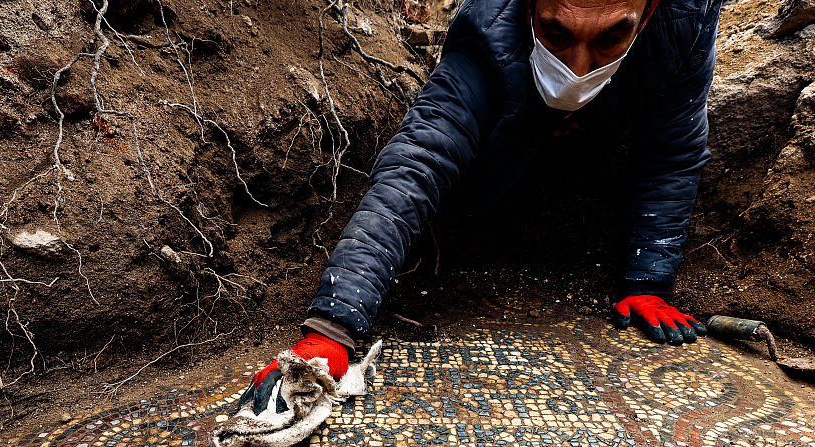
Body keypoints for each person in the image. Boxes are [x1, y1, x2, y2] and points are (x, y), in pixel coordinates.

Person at [242, 0, 721, 410]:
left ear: (651, 7)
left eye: (612, 36)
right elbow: (422, 157)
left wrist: (648, 281)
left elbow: (672, 153)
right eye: (556, 32)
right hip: (494, 154)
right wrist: (335, 325)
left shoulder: (686, 23)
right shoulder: (490, 26)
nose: (578, 69)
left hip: (598, 157)